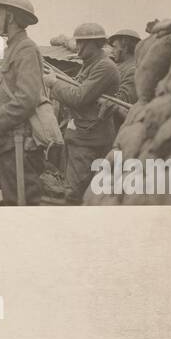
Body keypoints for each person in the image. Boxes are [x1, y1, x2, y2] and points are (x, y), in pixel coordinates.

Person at [0, 0, 44, 205]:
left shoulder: (25, 49)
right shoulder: (14, 48)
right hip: (11, 142)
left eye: (0, 15)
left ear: (12, 18)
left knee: (21, 204)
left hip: (20, 143)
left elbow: (26, 99)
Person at [46, 22, 120, 204]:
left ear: (95, 44)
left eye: (81, 43)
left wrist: (53, 83)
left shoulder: (105, 67)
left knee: (75, 194)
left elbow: (79, 97)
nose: (77, 47)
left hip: (90, 141)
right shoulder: (90, 64)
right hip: (82, 137)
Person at [107, 28, 141, 103]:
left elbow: (122, 101)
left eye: (115, 47)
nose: (112, 51)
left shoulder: (134, 70)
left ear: (125, 47)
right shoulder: (120, 65)